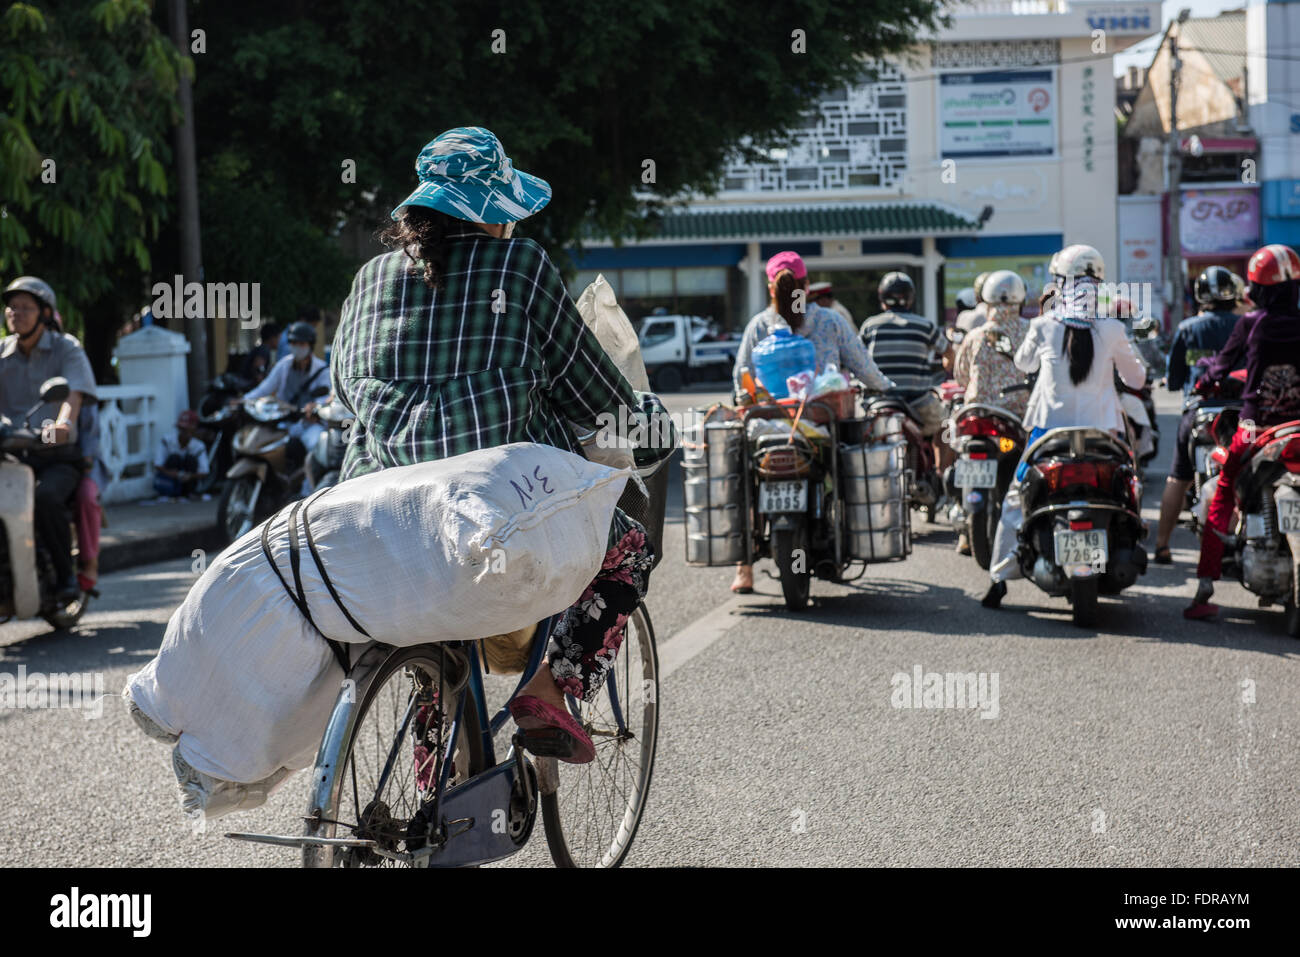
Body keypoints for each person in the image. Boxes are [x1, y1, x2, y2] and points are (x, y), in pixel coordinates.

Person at [332, 126, 672, 765]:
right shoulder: (521, 267)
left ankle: (434, 768)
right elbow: (597, 399)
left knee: (431, 629)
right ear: (493, 212)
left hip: (381, 522)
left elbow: (346, 398)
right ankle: (551, 690)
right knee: (629, 552)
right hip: (499, 514)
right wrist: (653, 429)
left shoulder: (370, 279)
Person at [981, 245, 1147, 609]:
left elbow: (1023, 366)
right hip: (1104, 434)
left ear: (1058, 283)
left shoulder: (1043, 325)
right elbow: (1137, 377)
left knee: (1015, 499)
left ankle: (998, 580)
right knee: (1128, 486)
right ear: (1098, 283)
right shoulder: (1113, 327)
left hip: (1048, 434)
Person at [730, 251, 895, 593]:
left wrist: (747, 401)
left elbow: (740, 379)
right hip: (821, 426)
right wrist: (890, 389)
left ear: (771, 289)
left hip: (766, 428)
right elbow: (864, 367)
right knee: (848, 474)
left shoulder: (760, 325)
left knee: (742, 478)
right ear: (807, 285)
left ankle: (743, 567)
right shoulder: (831, 321)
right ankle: (845, 540)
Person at [1185, 244, 1300, 619]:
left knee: (1223, 488)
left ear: (1259, 289)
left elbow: (1218, 370)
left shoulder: (1251, 323)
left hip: (1255, 429)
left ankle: (1205, 587)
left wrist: (1203, 385)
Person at [0, 276, 98, 602]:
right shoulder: (2, 352)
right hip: (13, 456)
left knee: (45, 499)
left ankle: (66, 579)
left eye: (26, 307)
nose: (16, 313)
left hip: (56, 455)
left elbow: (74, 395)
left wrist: (62, 424)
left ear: (44, 313)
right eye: (12, 307)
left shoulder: (66, 348)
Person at [1152, 266, 1244, 564]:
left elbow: (1176, 379)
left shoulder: (1188, 328)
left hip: (1199, 414)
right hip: (1240, 415)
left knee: (1178, 477)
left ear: (1200, 296)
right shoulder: (1247, 325)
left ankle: (1163, 545)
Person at [951, 270, 1033, 554]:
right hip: (1015, 424)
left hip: (976, 418)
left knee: (957, 454)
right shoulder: (1030, 331)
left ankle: (963, 528)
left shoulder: (975, 335)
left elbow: (960, 376)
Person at [859, 271, 952, 472]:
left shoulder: (870, 326)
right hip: (918, 402)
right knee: (946, 427)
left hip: (878, 403)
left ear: (882, 297)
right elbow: (949, 353)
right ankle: (942, 473)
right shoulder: (925, 326)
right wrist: (946, 365)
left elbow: (858, 360)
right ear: (910, 298)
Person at [243, 320, 329, 484]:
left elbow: (325, 398)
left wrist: (315, 407)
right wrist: (244, 400)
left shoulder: (322, 370)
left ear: (310, 345)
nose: (297, 347)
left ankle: (310, 489)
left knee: (317, 446)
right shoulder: (284, 365)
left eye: (301, 343)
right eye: (294, 343)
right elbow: (264, 388)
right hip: (282, 423)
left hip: (307, 424)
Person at [151, 410, 210, 500]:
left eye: (187, 430)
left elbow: (204, 471)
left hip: (189, 478)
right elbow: (158, 463)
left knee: (190, 459)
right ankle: (169, 493)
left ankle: (189, 492)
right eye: (181, 429)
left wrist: (190, 476)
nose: (183, 433)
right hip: (171, 478)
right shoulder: (167, 441)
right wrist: (172, 473)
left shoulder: (199, 446)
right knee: (174, 458)